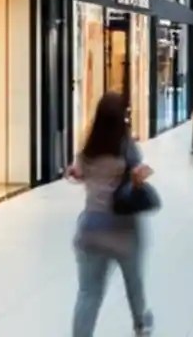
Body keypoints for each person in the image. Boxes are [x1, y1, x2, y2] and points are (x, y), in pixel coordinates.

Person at [66, 92, 155, 336]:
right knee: (133, 284)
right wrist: (138, 178)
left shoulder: (89, 149)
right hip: (123, 230)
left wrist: (74, 173)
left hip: (91, 230)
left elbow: (77, 172)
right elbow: (137, 173)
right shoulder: (127, 148)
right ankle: (141, 325)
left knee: (88, 293)